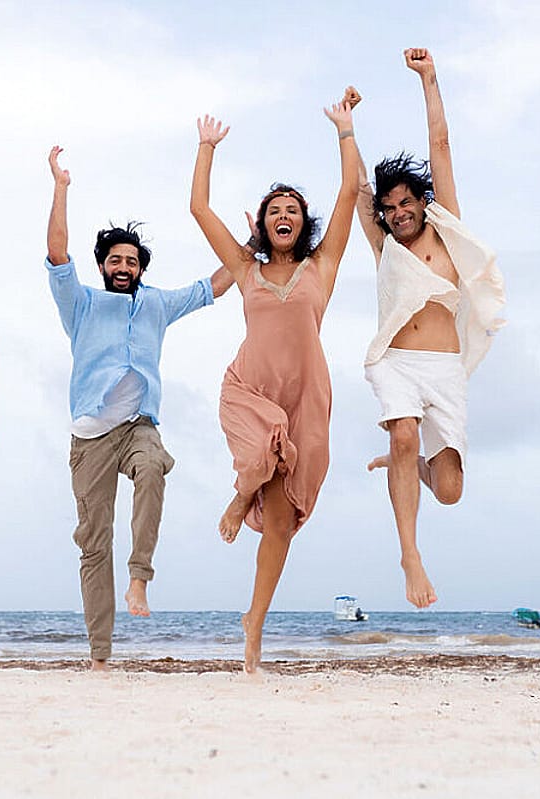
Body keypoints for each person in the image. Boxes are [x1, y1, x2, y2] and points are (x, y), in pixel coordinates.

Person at [190, 90, 359, 673]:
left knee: (283, 524)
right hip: (251, 392)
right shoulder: (245, 270)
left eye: (292, 208)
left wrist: (345, 130)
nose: (283, 215)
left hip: (308, 399)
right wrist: (206, 147)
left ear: (302, 222)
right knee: (265, 444)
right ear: (262, 224)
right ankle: (241, 498)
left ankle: (253, 626)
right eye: (273, 209)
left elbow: (348, 193)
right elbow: (198, 208)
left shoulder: (323, 267)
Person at [45, 146, 233, 671]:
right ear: (104, 265)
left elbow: (213, 285)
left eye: (131, 261)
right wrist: (60, 188)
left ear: (141, 269)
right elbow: (57, 252)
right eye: (115, 260)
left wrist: (253, 245)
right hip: (90, 438)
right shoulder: (80, 302)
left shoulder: (156, 303)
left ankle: (139, 578)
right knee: (92, 544)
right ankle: (100, 655)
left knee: (154, 466)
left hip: (138, 426)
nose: (123, 267)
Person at [357, 49, 506, 609]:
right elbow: (355, 192)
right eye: (389, 207)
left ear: (423, 201)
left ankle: (408, 464)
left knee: (449, 492)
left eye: (406, 202)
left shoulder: (447, 236)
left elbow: (440, 149)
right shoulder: (385, 247)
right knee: (400, 430)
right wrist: (348, 130)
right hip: (395, 361)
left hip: (444, 369)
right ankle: (409, 555)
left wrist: (430, 78)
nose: (398, 212)